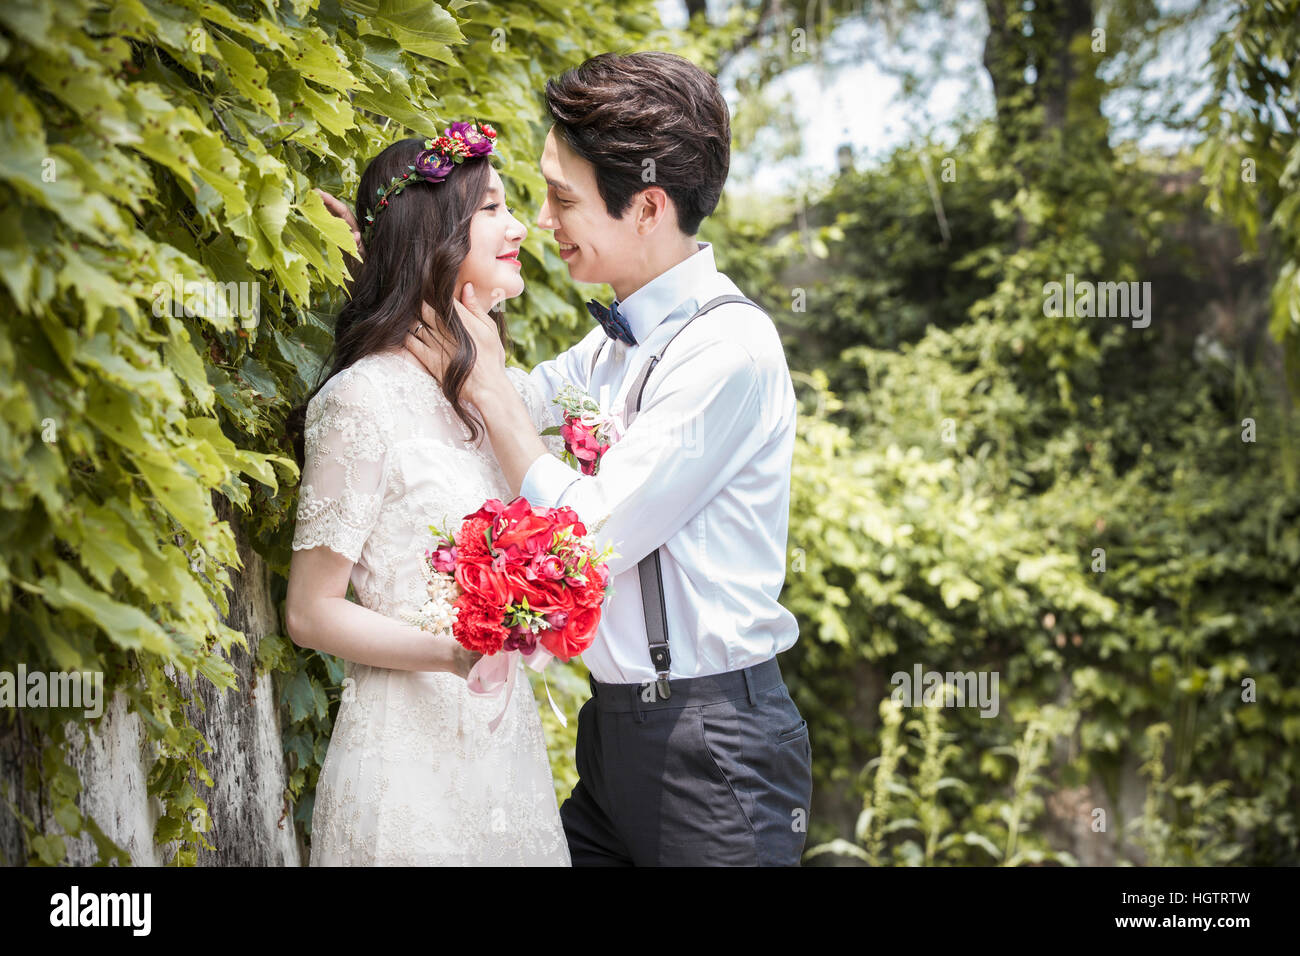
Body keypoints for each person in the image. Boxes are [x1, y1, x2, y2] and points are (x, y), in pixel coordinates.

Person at [401, 53, 814, 866]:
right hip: (615, 732)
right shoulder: (612, 344)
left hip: (713, 747)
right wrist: (394, 253)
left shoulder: (728, 349)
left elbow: (585, 531)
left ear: (648, 206)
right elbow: (501, 400)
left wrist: (491, 394)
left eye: (563, 199)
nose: (545, 224)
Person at [284, 124, 570, 866]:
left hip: (503, 751)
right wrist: (451, 655)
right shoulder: (361, 400)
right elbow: (310, 613)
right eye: (495, 209)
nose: (519, 228)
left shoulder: (487, 400)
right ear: (436, 232)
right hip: (403, 766)